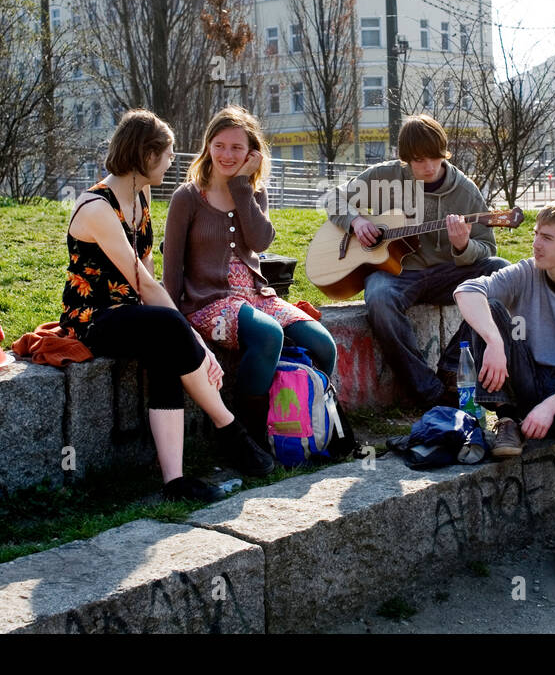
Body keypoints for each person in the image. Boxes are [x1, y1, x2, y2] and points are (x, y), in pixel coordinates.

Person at [60, 109, 274, 501]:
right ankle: (229, 427)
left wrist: (187, 335)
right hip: (94, 318)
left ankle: (175, 482)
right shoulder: (97, 208)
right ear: (146, 155)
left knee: (166, 347)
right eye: (167, 153)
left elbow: (148, 273)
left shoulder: (140, 196)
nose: (173, 160)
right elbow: (142, 282)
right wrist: (199, 342)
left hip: (132, 313)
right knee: (171, 329)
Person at [441, 198, 555, 577]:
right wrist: (494, 340)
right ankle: (507, 419)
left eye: (547, 238)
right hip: (525, 379)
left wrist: (552, 404)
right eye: (536, 233)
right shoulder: (527, 272)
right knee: (487, 310)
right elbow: (467, 290)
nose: (535, 243)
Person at [163, 106, 338, 446]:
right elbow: (172, 266)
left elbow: (260, 241)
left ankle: (302, 426)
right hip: (208, 302)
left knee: (322, 344)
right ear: (207, 146)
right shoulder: (188, 197)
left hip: (257, 296)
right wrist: (174, 320)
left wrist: (241, 187)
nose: (227, 155)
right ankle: (247, 437)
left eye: (237, 148)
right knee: (268, 335)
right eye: (219, 145)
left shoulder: (254, 192)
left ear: (251, 153)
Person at [326, 114, 508, 408]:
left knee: (501, 271)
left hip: (448, 274)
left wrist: (463, 246)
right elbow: (334, 198)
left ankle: (452, 364)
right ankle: (430, 393)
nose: (429, 166)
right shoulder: (385, 176)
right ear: (406, 158)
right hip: (395, 273)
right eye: (419, 160)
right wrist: (355, 221)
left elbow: (487, 247)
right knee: (379, 299)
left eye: (435, 157)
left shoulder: (465, 192)